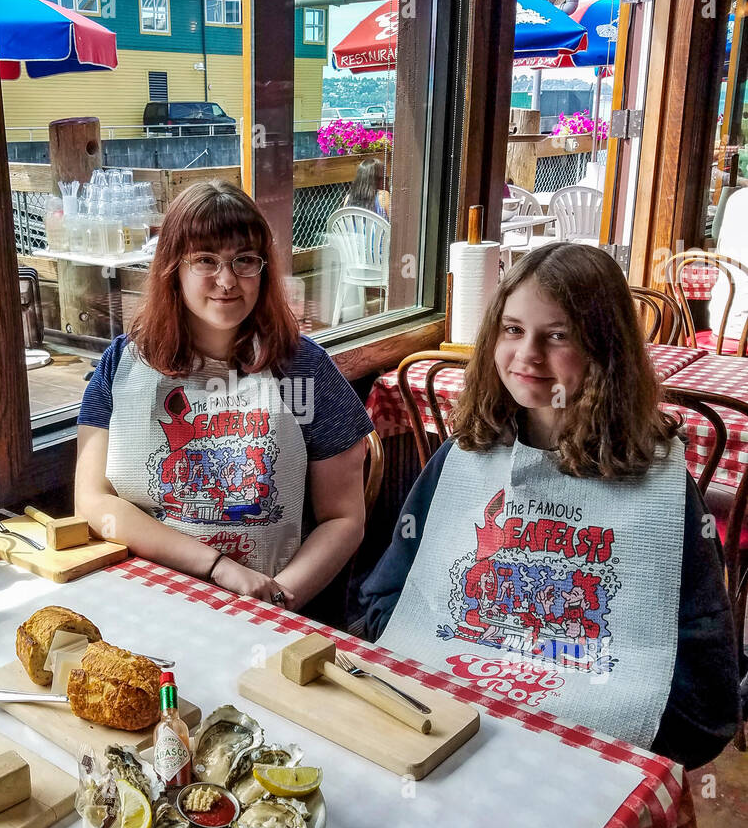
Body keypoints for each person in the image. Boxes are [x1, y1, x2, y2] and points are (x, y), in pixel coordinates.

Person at [358, 242, 744, 769]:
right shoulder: (460, 455)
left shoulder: (663, 489)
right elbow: (385, 598)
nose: (527, 355)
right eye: (512, 330)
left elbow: (706, 694)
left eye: (557, 335)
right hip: (447, 734)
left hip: (585, 758)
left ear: (606, 350)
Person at [76, 180, 373, 610]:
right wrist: (217, 566)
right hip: (144, 596)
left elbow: (344, 520)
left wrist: (274, 600)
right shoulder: (120, 364)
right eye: (206, 261)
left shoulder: (304, 369)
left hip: (273, 605)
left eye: (245, 261)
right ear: (172, 269)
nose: (227, 280)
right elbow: (91, 499)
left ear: (264, 269)